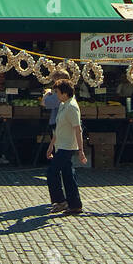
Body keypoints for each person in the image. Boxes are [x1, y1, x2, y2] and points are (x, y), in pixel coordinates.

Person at [45, 73, 84, 215]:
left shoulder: (72, 107)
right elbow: (59, 128)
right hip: (60, 145)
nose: (56, 95)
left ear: (65, 93)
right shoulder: (63, 105)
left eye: (57, 92)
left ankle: (61, 201)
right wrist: (51, 146)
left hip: (67, 146)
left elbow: (78, 129)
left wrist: (81, 150)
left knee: (52, 172)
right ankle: (75, 205)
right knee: (68, 175)